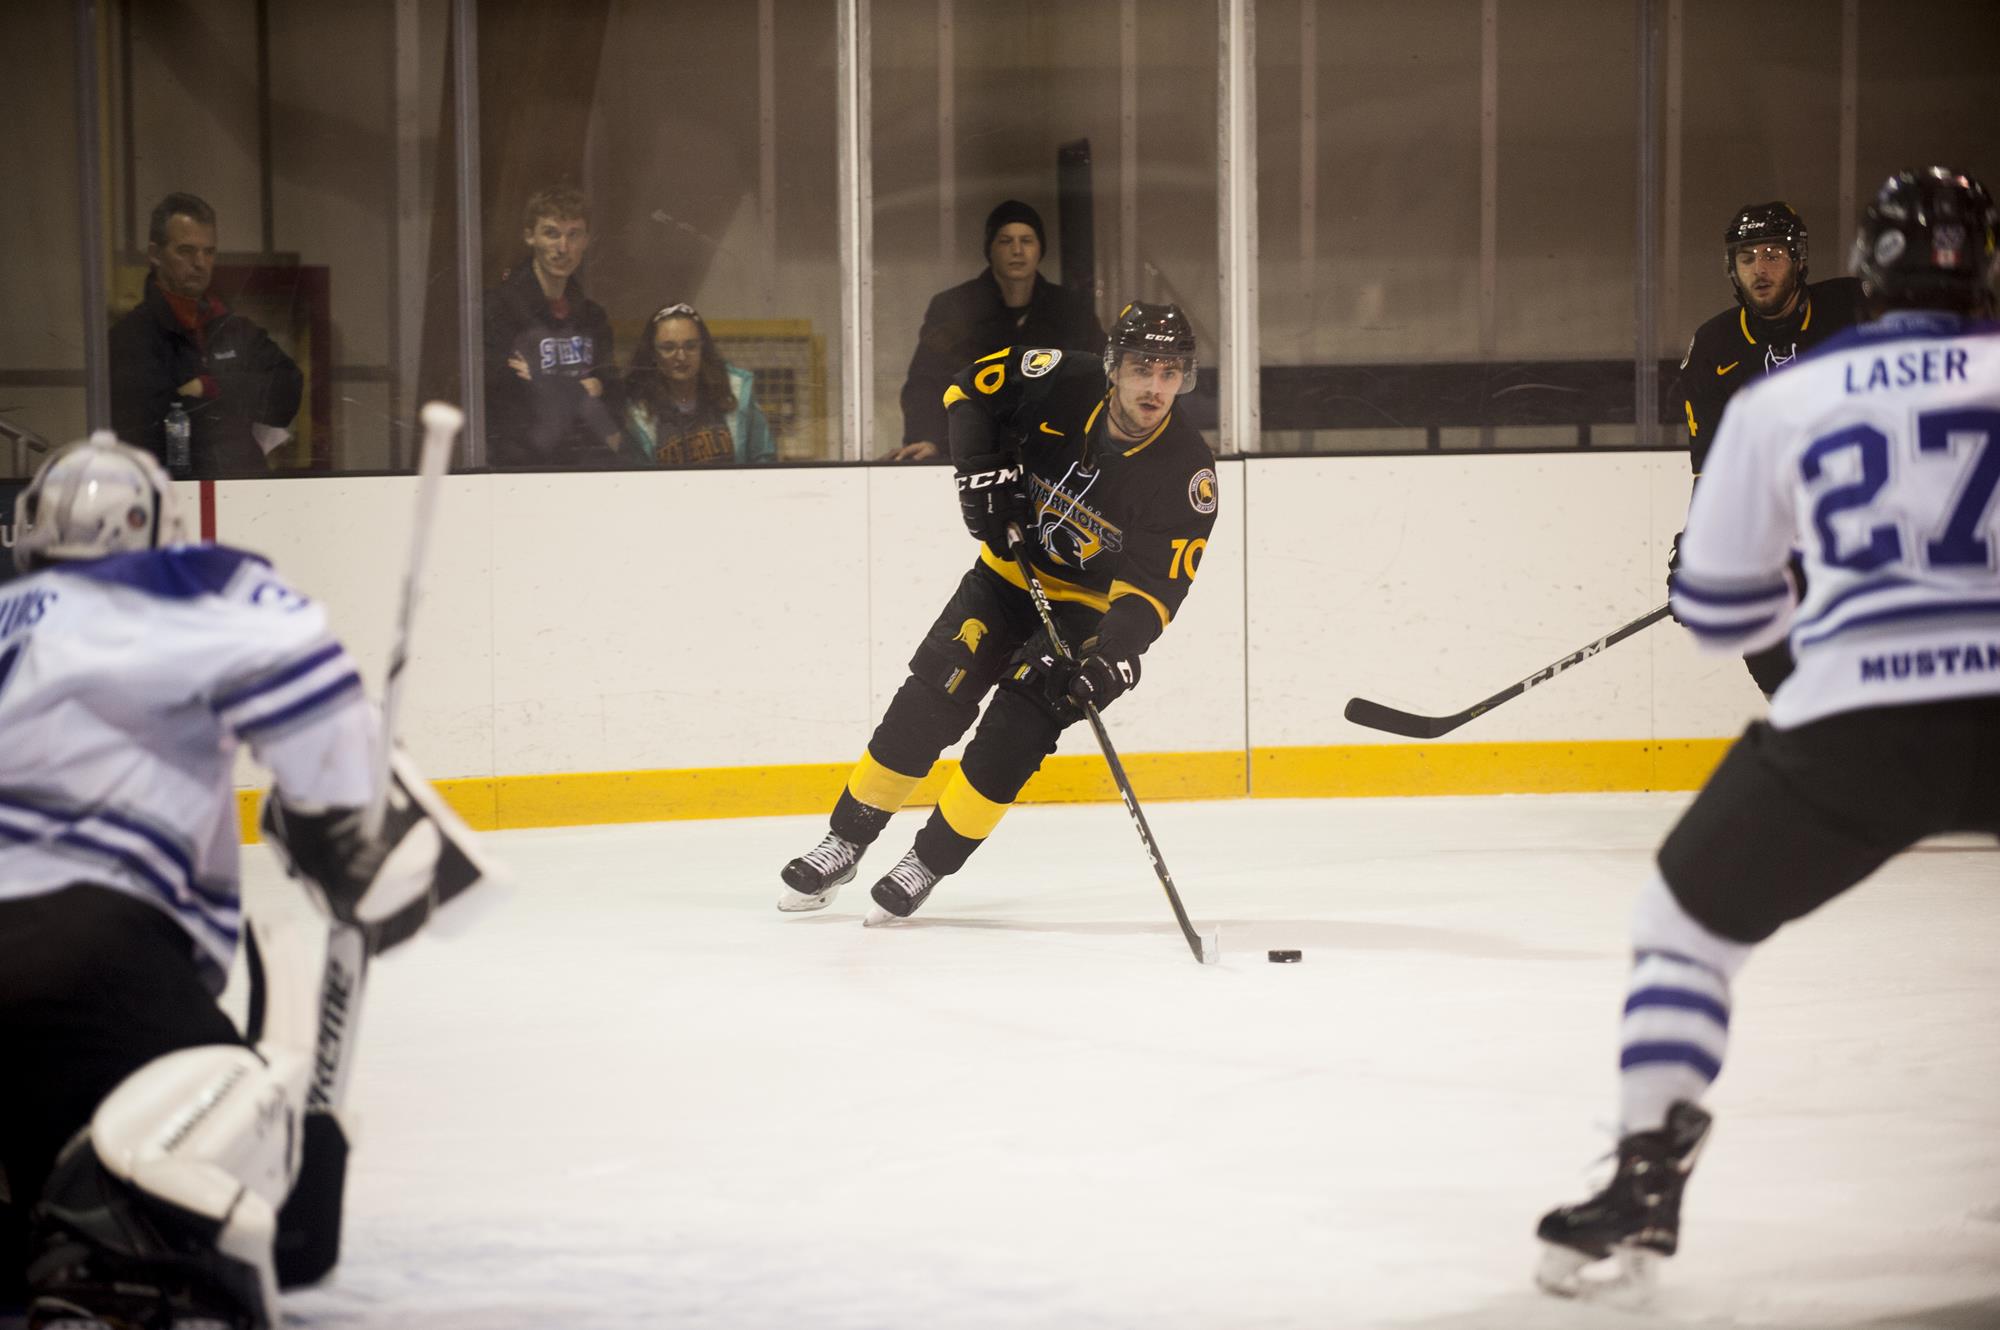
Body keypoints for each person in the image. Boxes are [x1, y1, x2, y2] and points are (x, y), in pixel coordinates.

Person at [1535, 167, 2000, 1302]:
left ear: (1860, 268)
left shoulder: (1779, 403)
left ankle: (1646, 1174)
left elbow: (1723, 616)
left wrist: (1751, 563)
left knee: (1679, 922)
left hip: (1854, 720)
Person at [0, 435, 491, 1326]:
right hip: (88, 952)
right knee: (234, 1116)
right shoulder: (183, 587)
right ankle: (110, 1247)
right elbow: (322, 721)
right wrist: (343, 819)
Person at [779, 303, 1219, 921]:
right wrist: (980, 469)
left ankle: (926, 863)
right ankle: (846, 840)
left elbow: (1154, 591)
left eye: (1170, 372)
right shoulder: (1061, 377)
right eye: (1143, 368)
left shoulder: (1187, 473)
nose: (1154, 387)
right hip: (1006, 578)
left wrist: (1112, 656)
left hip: (1084, 616)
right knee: (928, 702)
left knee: (1013, 737)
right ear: (1114, 367)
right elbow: (969, 389)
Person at [1672, 200, 1867, 695]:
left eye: (1773, 253)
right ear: (1732, 270)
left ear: (1799, 259)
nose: (1760, 268)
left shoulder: (1854, 309)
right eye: (1747, 257)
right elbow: (1713, 469)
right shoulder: (1715, 347)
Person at [889, 199, 1105, 462]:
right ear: (989, 249)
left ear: (1040, 249)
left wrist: (1096, 441)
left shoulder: (1071, 310)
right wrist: (928, 438)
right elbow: (926, 380)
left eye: (1026, 240)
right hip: (973, 450)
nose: (1017, 250)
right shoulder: (954, 308)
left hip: (1054, 453)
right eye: (1005, 241)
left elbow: (1098, 378)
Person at [109, 192, 303, 480]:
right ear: (154, 254)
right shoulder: (131, 337)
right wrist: (239, 398)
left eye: (209, 252)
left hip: (244, 492)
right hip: (173, 498)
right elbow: (148, 427)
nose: (200, 263)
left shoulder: (234, 328)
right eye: (186, 250)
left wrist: (208, 386)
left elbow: (288, 390)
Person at [484, 186, 621, 468]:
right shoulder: (500, 310)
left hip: (585, 464)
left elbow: (612, 393)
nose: (563, 248)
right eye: (551, 233)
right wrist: (581, 389)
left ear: (586, 240)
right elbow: (502, 394)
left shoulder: (592, 317)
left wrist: (541, 379)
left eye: (573, 235)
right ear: (529, 236)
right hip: (521, 468)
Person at [620, 303, 776, 465]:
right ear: (653, 353)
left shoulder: (735, 392)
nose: (681, 356)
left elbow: (764, 458)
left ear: (703, 348)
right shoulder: (637, 411)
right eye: (668, 348)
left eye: (691, 346)